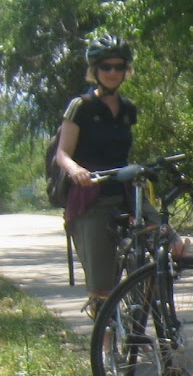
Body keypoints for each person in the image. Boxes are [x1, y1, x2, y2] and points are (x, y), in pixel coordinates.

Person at [55, 35, 140, 318]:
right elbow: (62, 154)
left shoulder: (128, 109)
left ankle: (151, 322)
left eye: (119, 66)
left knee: (168, 247)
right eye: (106, 67)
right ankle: (106, 351)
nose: (113, 73)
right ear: (95, 70)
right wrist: (76, 170)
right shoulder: (81, 107)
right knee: (102, 285)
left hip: (125, 192)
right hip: (90, 196)